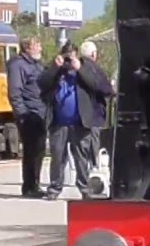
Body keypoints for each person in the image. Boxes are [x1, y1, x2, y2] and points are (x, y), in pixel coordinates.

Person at [38, 40, 114, 200]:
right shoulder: (57, 70)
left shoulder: (87, 68)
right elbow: (42, 84)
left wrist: (80, 69)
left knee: (81, 157)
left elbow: (100, 87)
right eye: (66, 58)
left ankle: (85, 188)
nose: (68, 63)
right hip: (59, 122)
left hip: (80, 121)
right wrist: (55, 68)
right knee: (58, 157)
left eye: (71, 58)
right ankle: (54, 188)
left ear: (77, 57)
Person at [6, 36, 47, 199]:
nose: (40, 49)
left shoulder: (37, 65)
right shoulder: (18, 66)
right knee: (31, 151)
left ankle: (35, 184)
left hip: (40, 113)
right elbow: (15, 92)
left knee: (39, 151)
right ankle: (29, 186)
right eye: (37, 46)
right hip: (29, 114)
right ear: (28, 48)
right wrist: (23, 114)